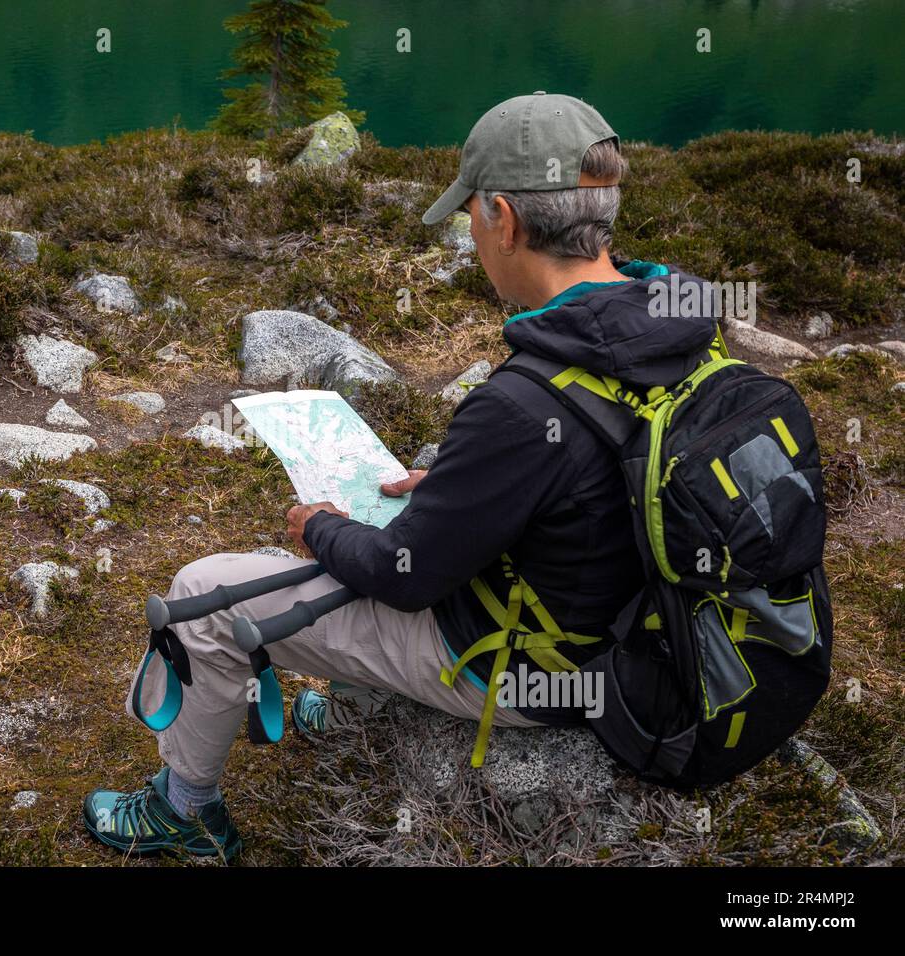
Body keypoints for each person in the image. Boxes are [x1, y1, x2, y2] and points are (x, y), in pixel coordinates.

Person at [83, 92, 722, 861]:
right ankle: (351, 712)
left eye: (473, 216)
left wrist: (316, 527)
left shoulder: (524, 401)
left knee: (199, 597)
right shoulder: (680, 331)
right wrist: (465, 490)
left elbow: (403, 578)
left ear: (505, 220)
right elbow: (607, 473)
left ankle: (181, 812)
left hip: (529, 671)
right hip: (645, 636)